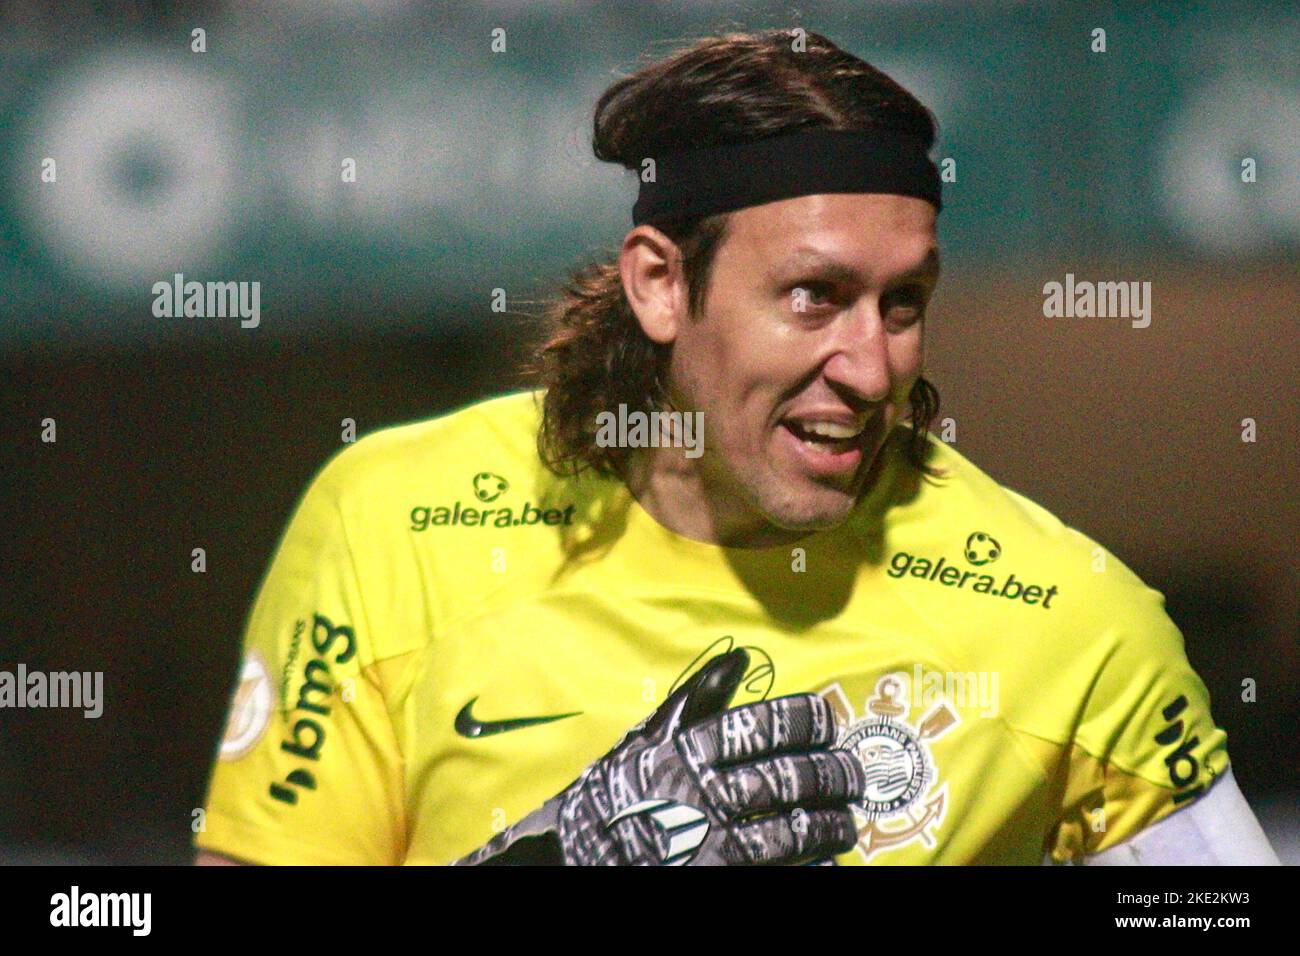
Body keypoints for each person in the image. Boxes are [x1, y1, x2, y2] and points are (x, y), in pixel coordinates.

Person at [195, 29, 1278, 866]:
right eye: (814, 295)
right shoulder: (395, 523)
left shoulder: (1073, 626)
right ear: (660, 283)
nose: (869, 363)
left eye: (902, 301)